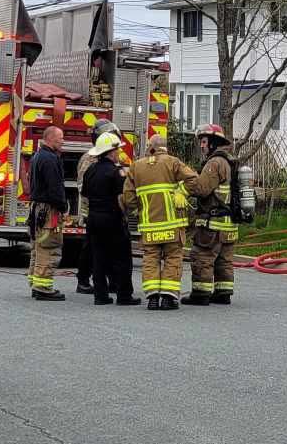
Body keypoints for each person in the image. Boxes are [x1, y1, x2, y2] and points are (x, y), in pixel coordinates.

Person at [121, 134, 197, 311]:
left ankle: (153, 297)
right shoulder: (173, 162)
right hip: (172, 224)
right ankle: (168, 299)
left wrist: (138, 210)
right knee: (173, 258)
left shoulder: (136, 166)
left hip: (149, 226)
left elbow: (128, 196)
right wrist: (182, 192)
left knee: (151, 259)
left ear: (150, 147)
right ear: (165, 147)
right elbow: (193, 179)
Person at [183, 124, 241, 306]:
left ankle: (200, 294)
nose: (201, 145)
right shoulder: (230, 161)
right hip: (229, 223)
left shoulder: (214, 163)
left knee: (202, 256)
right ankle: (223, 292)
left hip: (212, 224)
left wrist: (186, 184)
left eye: (204, 141)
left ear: (213, 143)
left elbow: (202, 189)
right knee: (224, 260)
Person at [78, 131, 137, 306]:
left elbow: (85, 194)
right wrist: (125, 215)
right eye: (117, 149)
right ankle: (124, 295)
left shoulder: (90, 170)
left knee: (98, 257)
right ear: (111, 152)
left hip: (94, 219)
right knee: (122, 257)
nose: (119, 152)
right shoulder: (116, 172)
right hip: (112, 218)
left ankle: (101, 296)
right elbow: (121, 198)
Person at [71, 119, 126, 293]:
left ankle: (111, 281)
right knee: (91, 247)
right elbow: (84, 188)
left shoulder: (106, 158)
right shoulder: (89, 159)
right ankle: (83, 280)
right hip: (93, 211)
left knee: (106, 247)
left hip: (103, 211)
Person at [25, 125, 69, 300]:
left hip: (38, 208)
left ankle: (36, 283)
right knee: (49, 247)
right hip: (49, 210)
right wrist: (63, 207)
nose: (63, 141)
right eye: (61, 138)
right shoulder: (50, 159)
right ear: (50, 138)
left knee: (38, 247)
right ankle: (43, 288)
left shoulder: (38, 156)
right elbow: (55, 188)